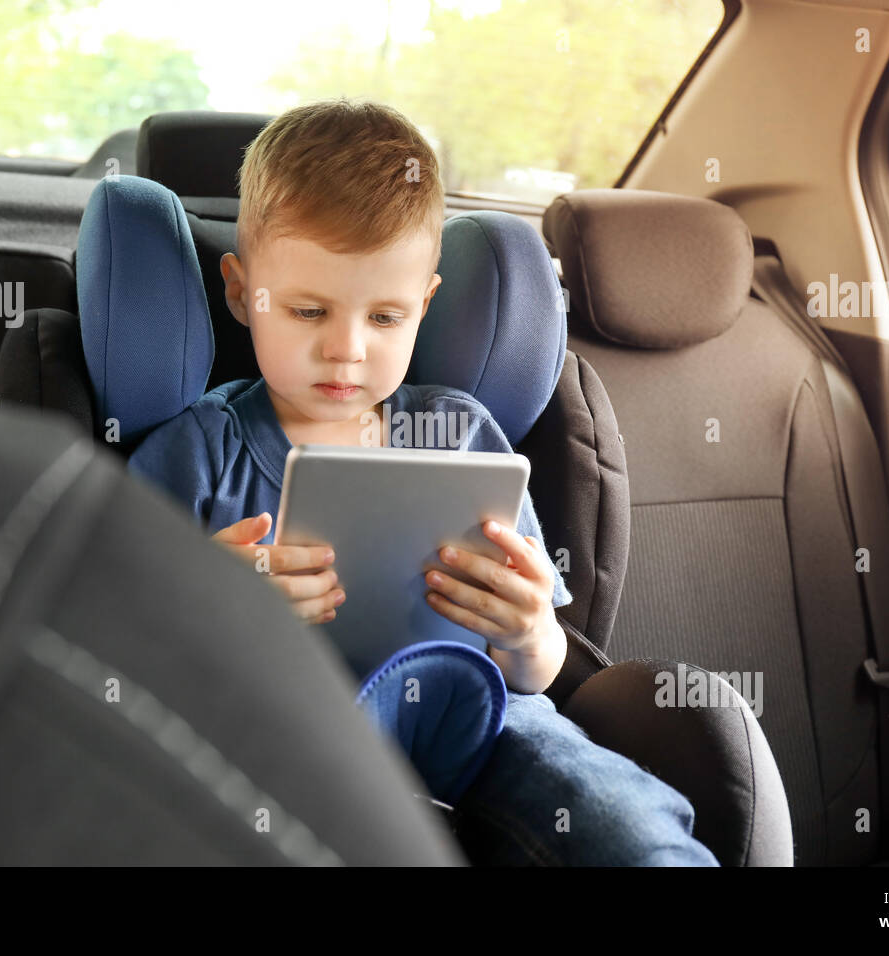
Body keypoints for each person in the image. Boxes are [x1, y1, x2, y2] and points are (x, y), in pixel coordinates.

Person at [128, 97, 718, 866]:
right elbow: (118, 644)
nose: (346, 351)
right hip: (277, 728)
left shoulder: (465, 434)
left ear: (426, 306)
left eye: (384, 318)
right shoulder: (197, 451)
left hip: (476, 716)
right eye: (309, 311)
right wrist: (210, 609)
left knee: (622, 818)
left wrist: (529, 631)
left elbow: (534, 673)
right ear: (242, 293)